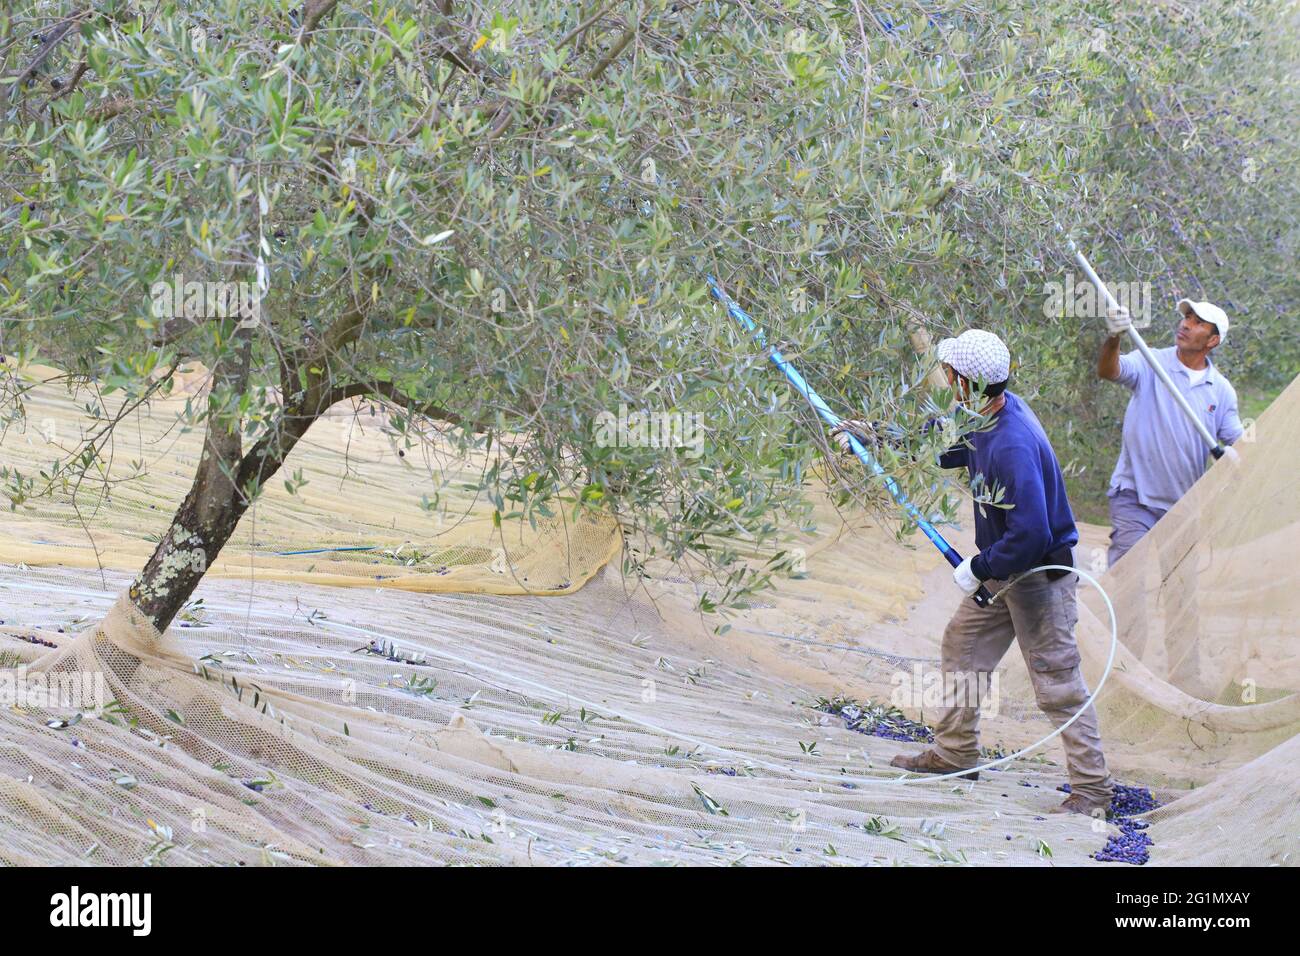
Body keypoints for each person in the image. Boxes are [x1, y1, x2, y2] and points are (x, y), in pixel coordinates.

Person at [836, 329, 1114, 815]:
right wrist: (875, 437)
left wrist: (979, 567)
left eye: (948, 373)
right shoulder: (982, 416)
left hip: (1037, 577)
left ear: (963, 382)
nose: (943, 379)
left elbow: (1031, 534)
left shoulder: (1011, 444)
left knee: (1057, 684)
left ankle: (1092, 791)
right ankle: (954, 752)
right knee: (962, 647)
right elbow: (942, 447)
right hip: (1002, 573)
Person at [1099, 299, 1243, 566]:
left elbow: (1239, 440)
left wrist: (1238, 454)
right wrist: (1113, 338)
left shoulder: (1221, 391)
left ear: (1213, 341)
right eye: (1187, 318)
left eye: (1198, 323)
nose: (1186, 325)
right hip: (1134, 496)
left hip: (1184, 506)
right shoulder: (1149, 360)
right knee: (1128, 580)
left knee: (1180, 591)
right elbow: (1109, 370)